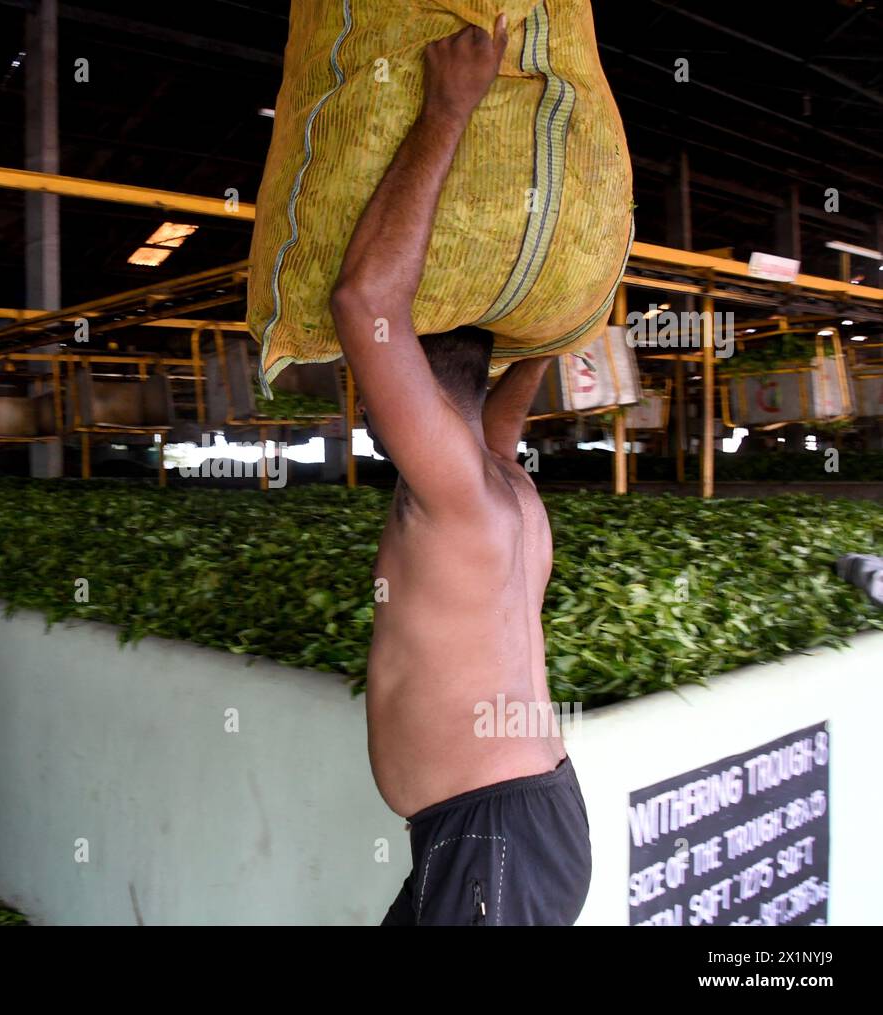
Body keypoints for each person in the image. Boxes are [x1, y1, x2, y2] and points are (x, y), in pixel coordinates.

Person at [329, 17, 592, 925]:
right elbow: (502, 411)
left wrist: (449, 109)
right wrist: (561, 325)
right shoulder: (498, 485)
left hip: (495, 840)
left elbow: (366, 300)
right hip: (511, 825)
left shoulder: (459, 492)